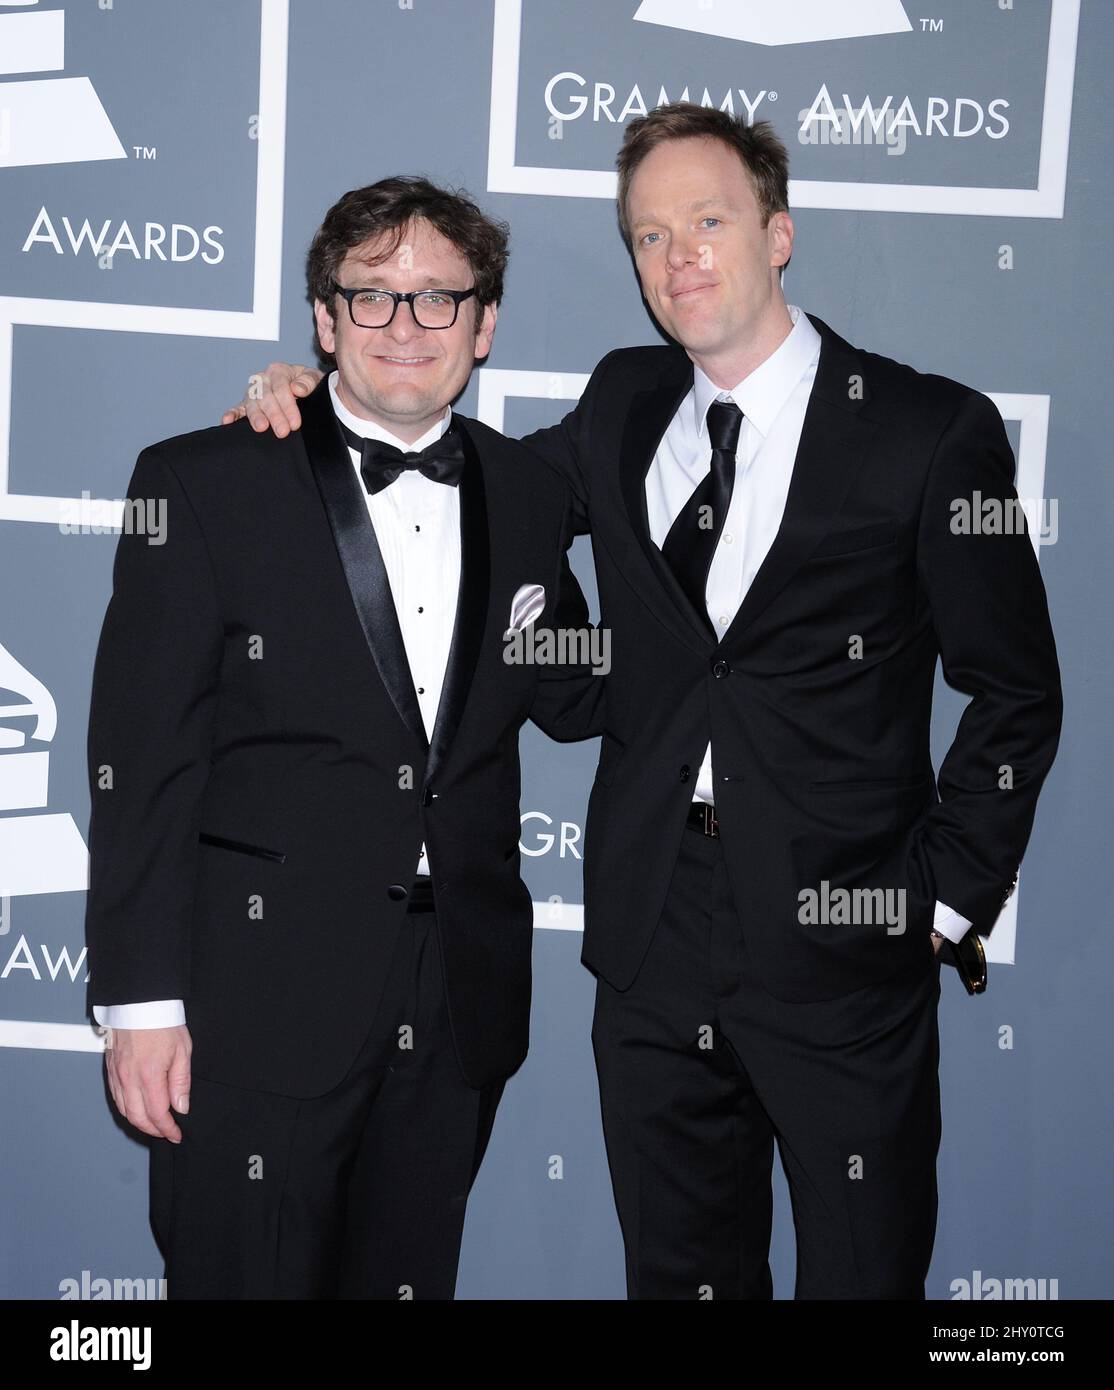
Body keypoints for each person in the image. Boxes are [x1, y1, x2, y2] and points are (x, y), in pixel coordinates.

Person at [222, 105, 1062, 1299]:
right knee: (678, 1276)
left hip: (844, 946)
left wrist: (937, 903)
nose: (678, 256)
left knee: (863, 1275)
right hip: (654, 941)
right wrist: (318, 408)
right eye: (649, 233)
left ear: (778, 233)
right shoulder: (623, 403)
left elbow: (1017, 690)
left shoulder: (926, 432)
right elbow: (474, 479)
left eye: (708, 220)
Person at [85, 175, 603, 1300]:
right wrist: (139, 1003)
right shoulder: (204, 480)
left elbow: (572, 696)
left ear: (485, 323)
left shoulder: (524, 490)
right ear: (324, 320)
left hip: (455, 998)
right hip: (253, 1000)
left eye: (437, 299)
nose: (406, 328)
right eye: (372, 298)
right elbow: (143, 764)